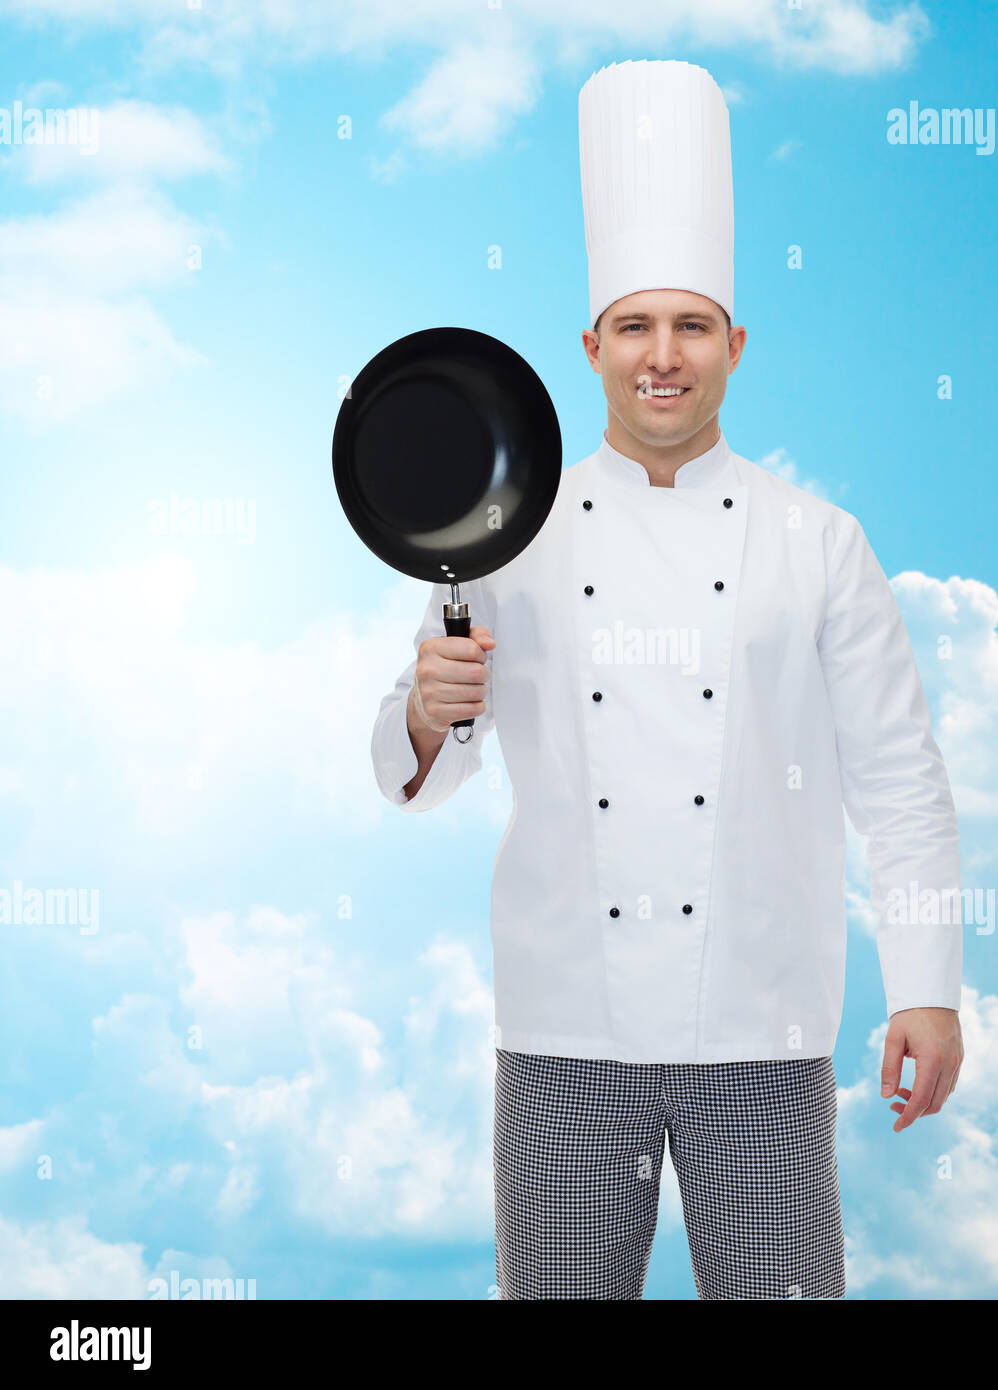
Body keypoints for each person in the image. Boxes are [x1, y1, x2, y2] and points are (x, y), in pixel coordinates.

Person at [371, 58, 964, 1300]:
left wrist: (927, 988)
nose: (662, 356)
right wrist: (424, 717)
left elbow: (900, 784)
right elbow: (424, 761)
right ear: (590, 347)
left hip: (763, 1021)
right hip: (561, 1031)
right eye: (634, 326)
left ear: (734, 345)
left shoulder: (818, 540)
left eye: (690, 325)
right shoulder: (503, 535)